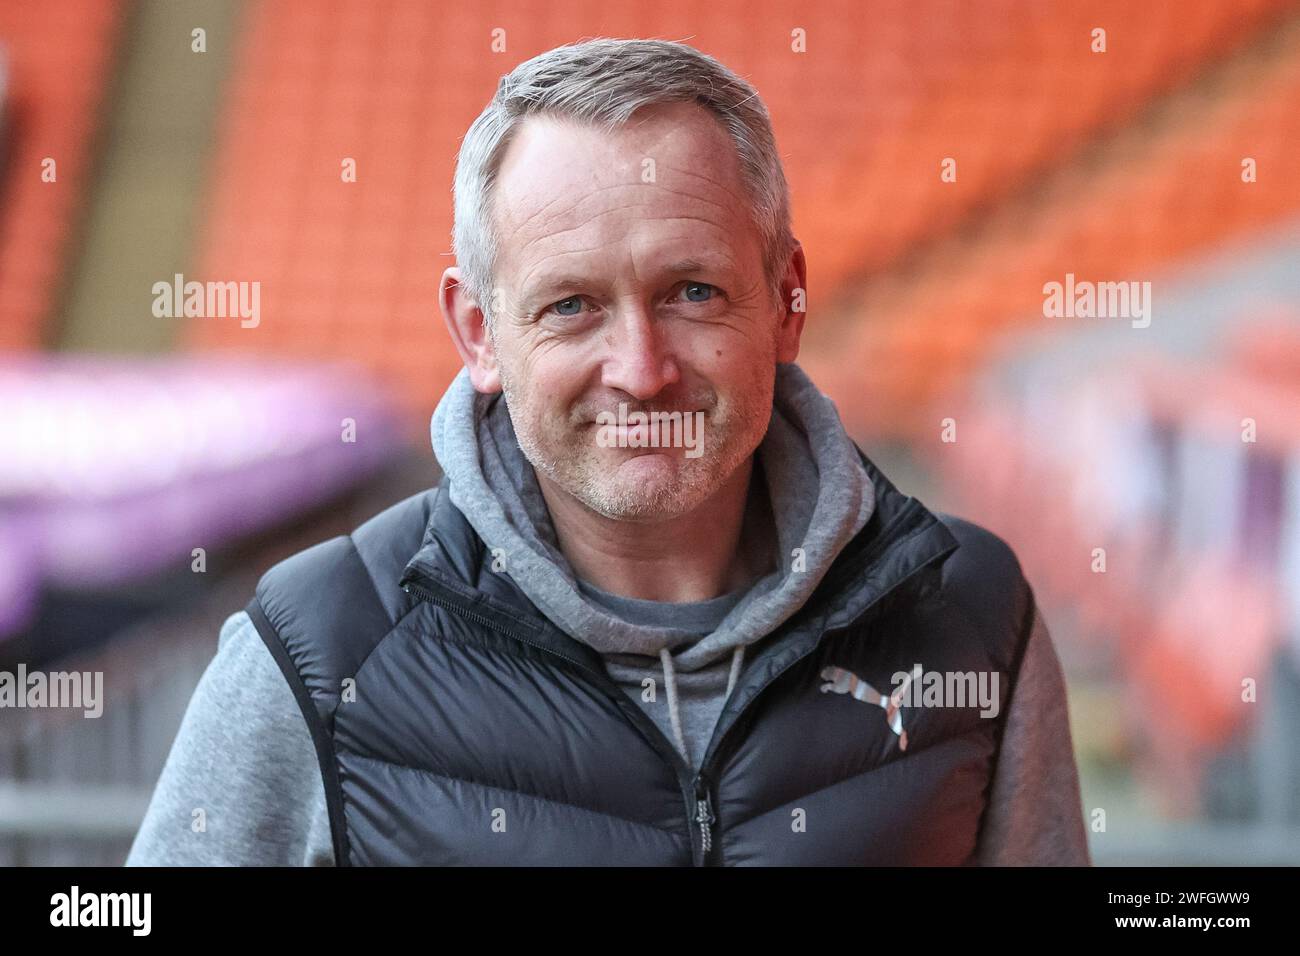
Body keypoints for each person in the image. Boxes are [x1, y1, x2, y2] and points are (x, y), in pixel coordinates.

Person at [127, 37, 1090, 866]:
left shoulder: (972, 612)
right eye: (572, 305)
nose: (641, 368)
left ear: (786, 299)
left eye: (694, 293)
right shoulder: (316, 650)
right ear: (479, 334)